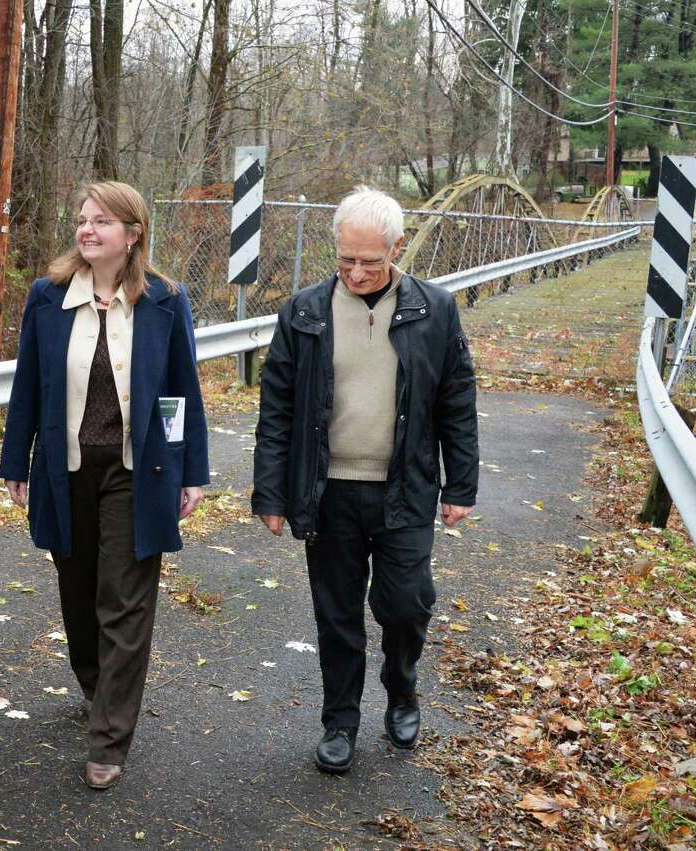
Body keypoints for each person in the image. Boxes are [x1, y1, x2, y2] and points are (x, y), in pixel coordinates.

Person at [252, 186, 478, 773]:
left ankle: (401, 688)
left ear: (397, 249)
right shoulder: (303, 312)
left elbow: (457, 401)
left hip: (405, 487)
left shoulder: (434, 310)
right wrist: (272, 492)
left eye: (369, 261)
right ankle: (340, 722)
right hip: (329, 491)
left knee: (405, 605)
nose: (355, 272)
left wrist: (461, 485)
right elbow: (276, 409)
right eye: (345, 259)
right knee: (337, 613)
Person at [0, 181, 209, 790]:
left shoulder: (166, 301)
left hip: (134, 472)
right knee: (79, 592)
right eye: (83, 221)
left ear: (133, 234)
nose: (87, 230)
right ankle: (97, 686)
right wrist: (17, 461)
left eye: (102, 222)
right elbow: (28, 389)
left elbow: (180, 391)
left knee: (125, 597)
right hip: (66, 470)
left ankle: (110, 736)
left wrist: (188, 470)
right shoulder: (47, 299)